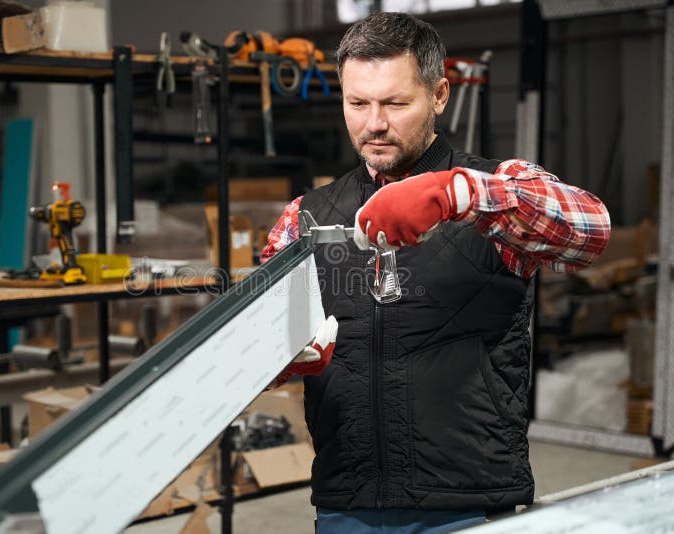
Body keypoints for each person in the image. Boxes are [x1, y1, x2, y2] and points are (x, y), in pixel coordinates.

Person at [261, 11, 610, 534]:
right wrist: (279, 358)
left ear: (440, 96)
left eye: (395, 104)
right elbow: (253, 346)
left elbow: (590, 227)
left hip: (467, 504)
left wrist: (460, 194)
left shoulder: (496, 190)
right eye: (357, 103)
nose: (374, 123)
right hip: (346, 502)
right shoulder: (306, 216)